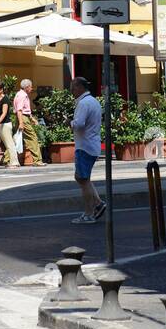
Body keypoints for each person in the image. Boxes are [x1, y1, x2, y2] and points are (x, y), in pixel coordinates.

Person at [69, 77, 105, 224]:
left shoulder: (83, 103)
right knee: (82, 178)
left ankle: (89, 213)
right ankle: (98, 203)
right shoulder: (94, 101)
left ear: (79, 87)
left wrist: (69, 122)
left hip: (84, 146)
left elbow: (78, 124)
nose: (71, 91)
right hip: (91, 144)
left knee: (82, 179)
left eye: (73, 87)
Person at [14, 79, 44, 167]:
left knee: (16, 138)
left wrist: (32, 118)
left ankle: (9, 159)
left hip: (23, 117)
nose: (32, 88)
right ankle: (37, 161)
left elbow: (24, 110)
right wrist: (21, 123)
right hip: (22, 118)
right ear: (27, 87)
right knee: (32, 138)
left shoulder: (21, 94)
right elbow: (19, 110)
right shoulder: (22, 96)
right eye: (31, 87)